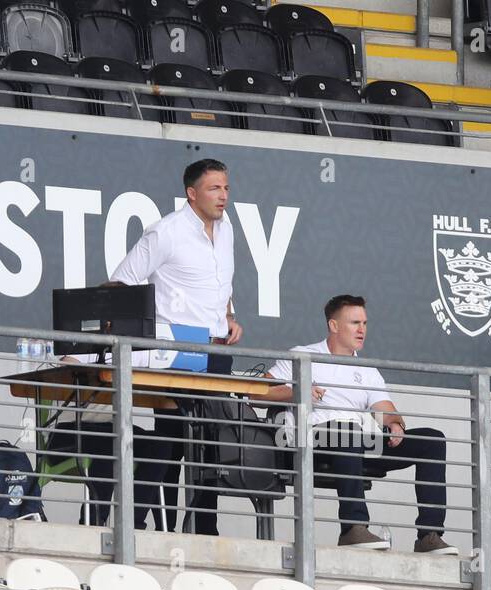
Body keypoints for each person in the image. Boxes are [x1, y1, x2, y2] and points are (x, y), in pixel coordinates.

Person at [57, 158, 242, 533]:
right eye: (214, 188)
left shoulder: (227, 230)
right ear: (192, 193)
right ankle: (153, 524)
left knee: (209, 441)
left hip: (218, 348)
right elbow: (121, 283)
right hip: (177, 352)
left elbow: (221, 282)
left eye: (225, 188)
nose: (223, 196)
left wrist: (229, 314)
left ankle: (204, 528)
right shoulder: (166, 232)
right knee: (173, 440)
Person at [266, 294, 459, 555]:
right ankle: (353, 528)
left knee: (432, 440)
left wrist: (395, 424)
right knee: (348, 430)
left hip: (358, 442)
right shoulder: (303, 355)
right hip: (315, 442)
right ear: (334, 326)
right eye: (355, 323)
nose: (362, 330)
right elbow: (258, 392)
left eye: (365, 323)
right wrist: (297, 391)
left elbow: (386, 411)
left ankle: (429, 535)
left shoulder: (367, 369)